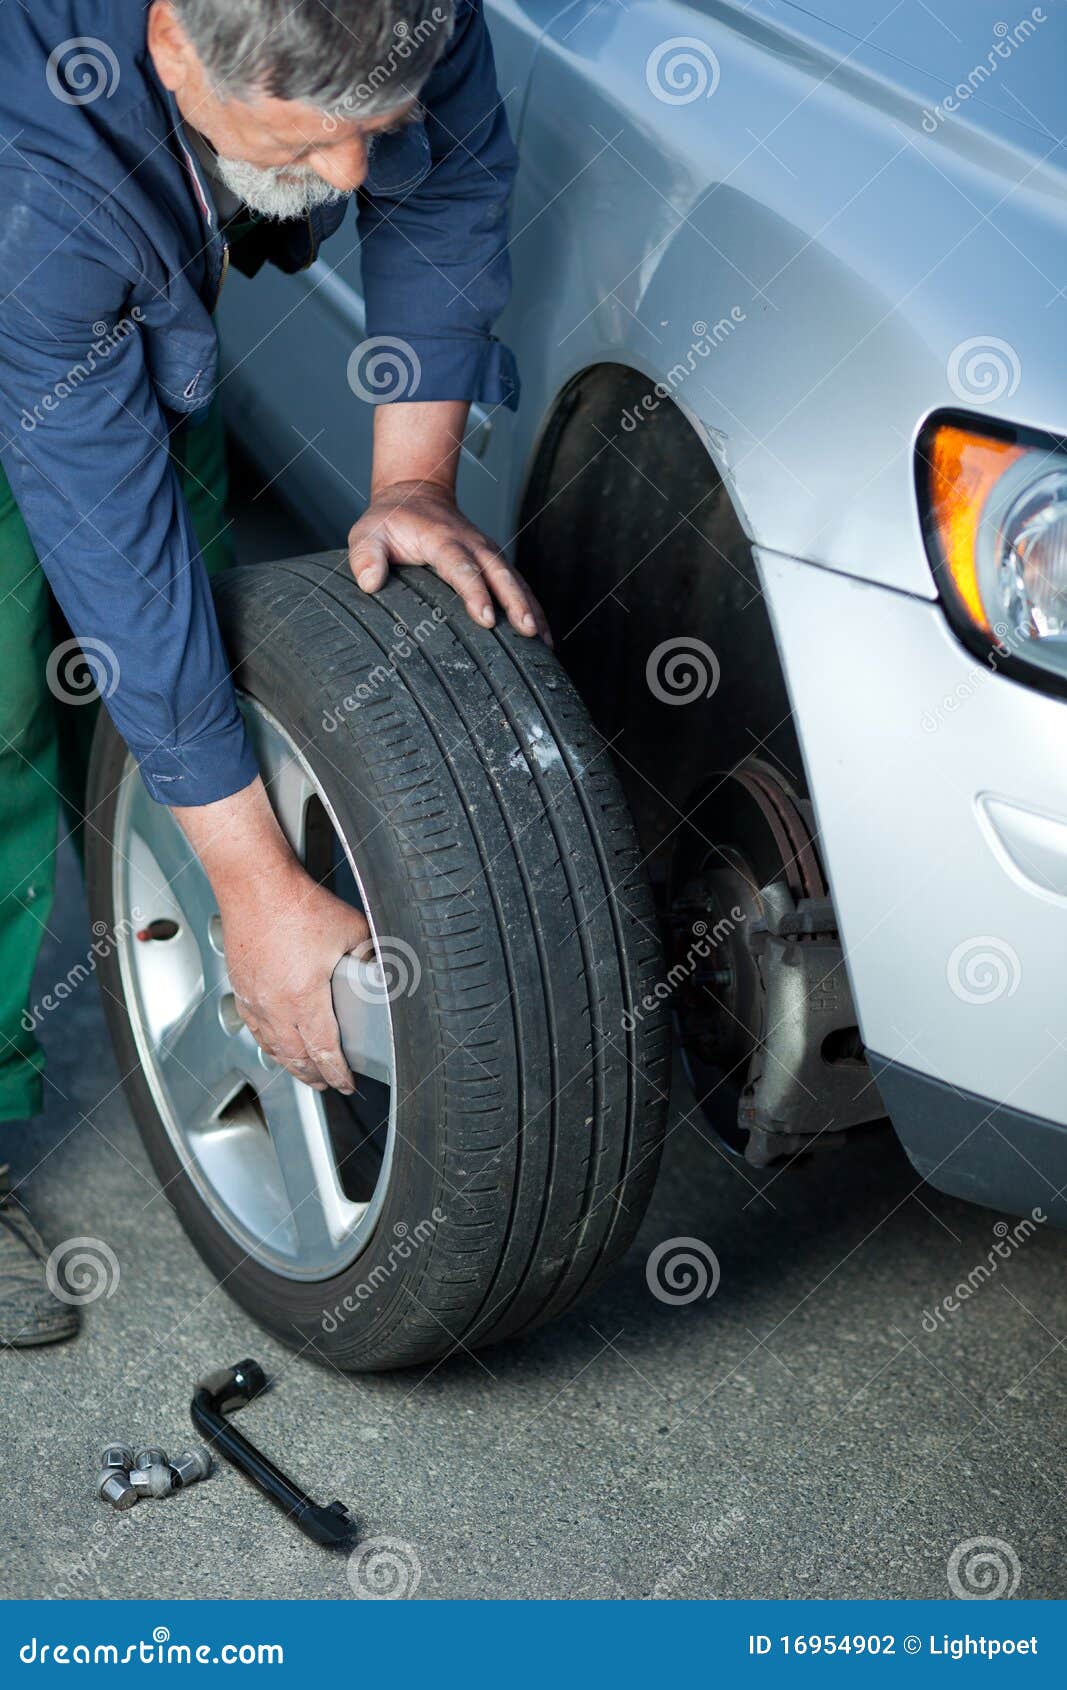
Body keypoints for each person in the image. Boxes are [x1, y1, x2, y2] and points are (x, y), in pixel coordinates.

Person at [0, 0, 549, 1344]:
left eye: (376, 126)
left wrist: (413, 483)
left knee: (195, 652)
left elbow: (448, 179)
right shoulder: (42, 177)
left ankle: (208, 894)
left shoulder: (403, 12)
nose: (355, 174)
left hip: (105, 277)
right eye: (312, 142)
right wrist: (251, 883)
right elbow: (107, 527)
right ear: (172, 43)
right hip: (32, 266)